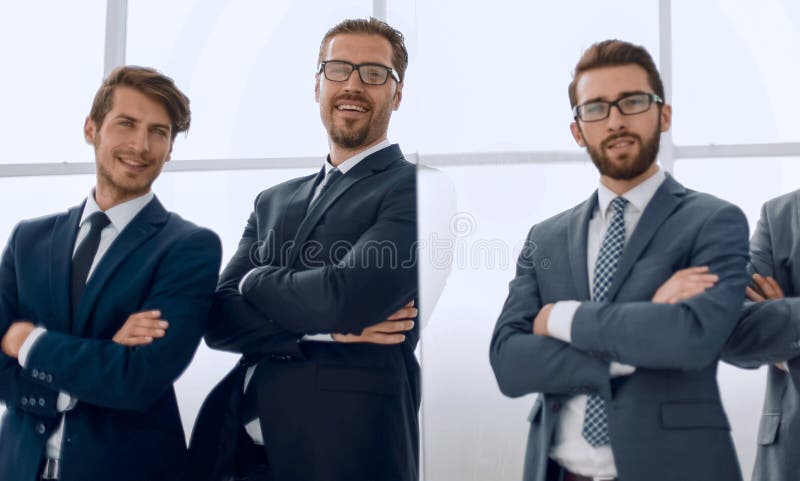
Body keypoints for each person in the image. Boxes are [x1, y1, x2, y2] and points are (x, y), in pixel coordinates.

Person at [490, 39, 751, 481]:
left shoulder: (714, 222)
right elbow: (509, 363)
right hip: (560, 472)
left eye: (632, 101)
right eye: (595, 108)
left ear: (663, 115)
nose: (615, 120)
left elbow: (690, 340)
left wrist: (559, 318)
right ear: (578, 131)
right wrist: (642, 326)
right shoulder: (545, 239)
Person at [187, 17, 419, 481]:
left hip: (343, 453)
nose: (353, 84)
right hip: (235, 453)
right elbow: (219, 320)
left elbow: (343, 297)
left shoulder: (414, 188)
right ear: (317, 85)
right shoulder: (273, 200)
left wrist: (256, 280)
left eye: (374, 73)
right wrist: (324, 333)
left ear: (397, 94)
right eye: (338, 69)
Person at [0, 66, 222, 481]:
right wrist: (99, 357)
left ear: (170, 149)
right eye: (126, 124)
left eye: (159, 132)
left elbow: (137, 379)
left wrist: (27, 341)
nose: (141, 145)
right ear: (91, 129)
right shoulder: (28, 239)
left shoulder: (189, 248)